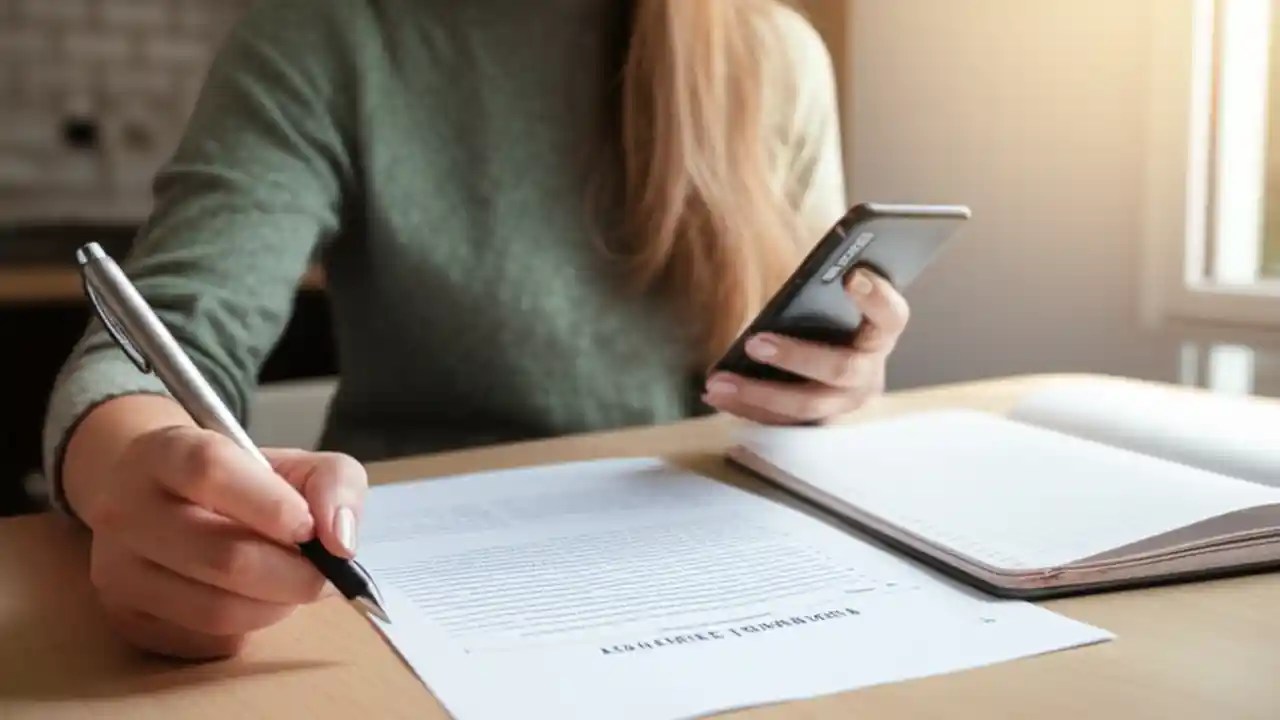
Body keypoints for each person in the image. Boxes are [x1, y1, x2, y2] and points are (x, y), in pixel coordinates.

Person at [42, 0, 911, 660]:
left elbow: (802, 372)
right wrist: (130, 466)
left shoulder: (777, 53)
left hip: (743, 584)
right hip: (403, 600)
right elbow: (172, 337)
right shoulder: (328, 34)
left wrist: (840, 382)